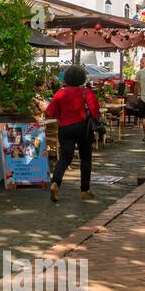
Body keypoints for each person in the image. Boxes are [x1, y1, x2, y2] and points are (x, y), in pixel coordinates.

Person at [45, 65, 101, 202]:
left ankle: (55, 183)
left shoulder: (60, 93)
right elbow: (95, 112)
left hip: (65, 128)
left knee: (65, 158)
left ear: (67, 78)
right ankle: (84, 190)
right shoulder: (87, 92)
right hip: (84, 128)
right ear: (82, 79)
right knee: (86, 159)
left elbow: (49, 112)